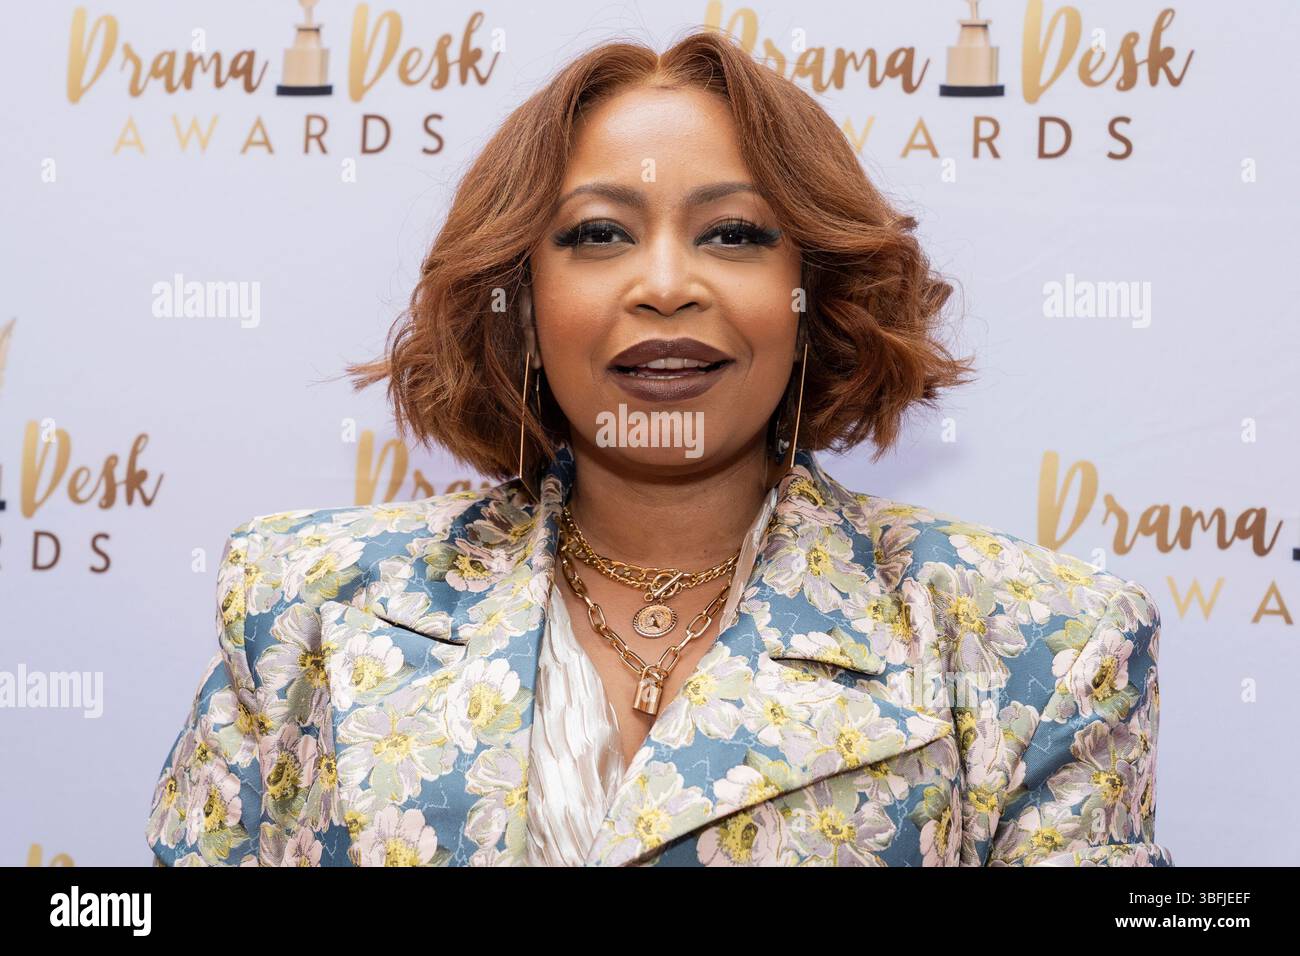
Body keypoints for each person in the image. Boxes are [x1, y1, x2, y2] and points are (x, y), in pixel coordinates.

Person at [145, 29, 1173, 867]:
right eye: (598, 234)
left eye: (734, 234)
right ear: (519, 301)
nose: (667, 284)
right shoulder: (304, 605)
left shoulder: (1040, 646)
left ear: (813, 300)